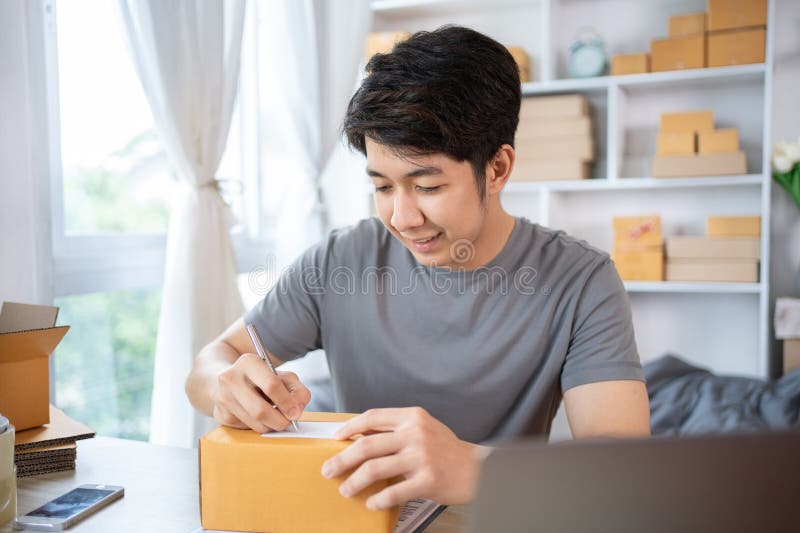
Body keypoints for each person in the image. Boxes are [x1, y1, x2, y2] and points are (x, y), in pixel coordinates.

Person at [186, 25, 650, 512]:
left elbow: (620, 473)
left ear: (497, 169)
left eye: (427, 186)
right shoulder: (339, 261)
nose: (402, 219)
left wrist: (474, 468)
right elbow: (209, 362)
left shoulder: (582, 281)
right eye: (383, 187)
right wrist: (229, 384)